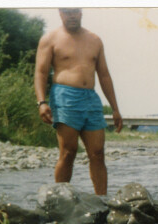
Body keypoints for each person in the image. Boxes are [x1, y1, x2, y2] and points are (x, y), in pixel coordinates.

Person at [34, 8, 123, 196]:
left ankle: (102, 201)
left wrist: (115, 108)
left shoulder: (95, 40)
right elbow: (41, 72)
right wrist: (42, 102)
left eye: (74, 11)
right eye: (67, 12)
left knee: (98, 153)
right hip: (64, 96)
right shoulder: (50, 39)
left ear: (81, 13)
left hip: (91, 98)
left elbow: (104, 75)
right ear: (60, 14)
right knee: (68, 152)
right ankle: (60, 200)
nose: (71, 15)